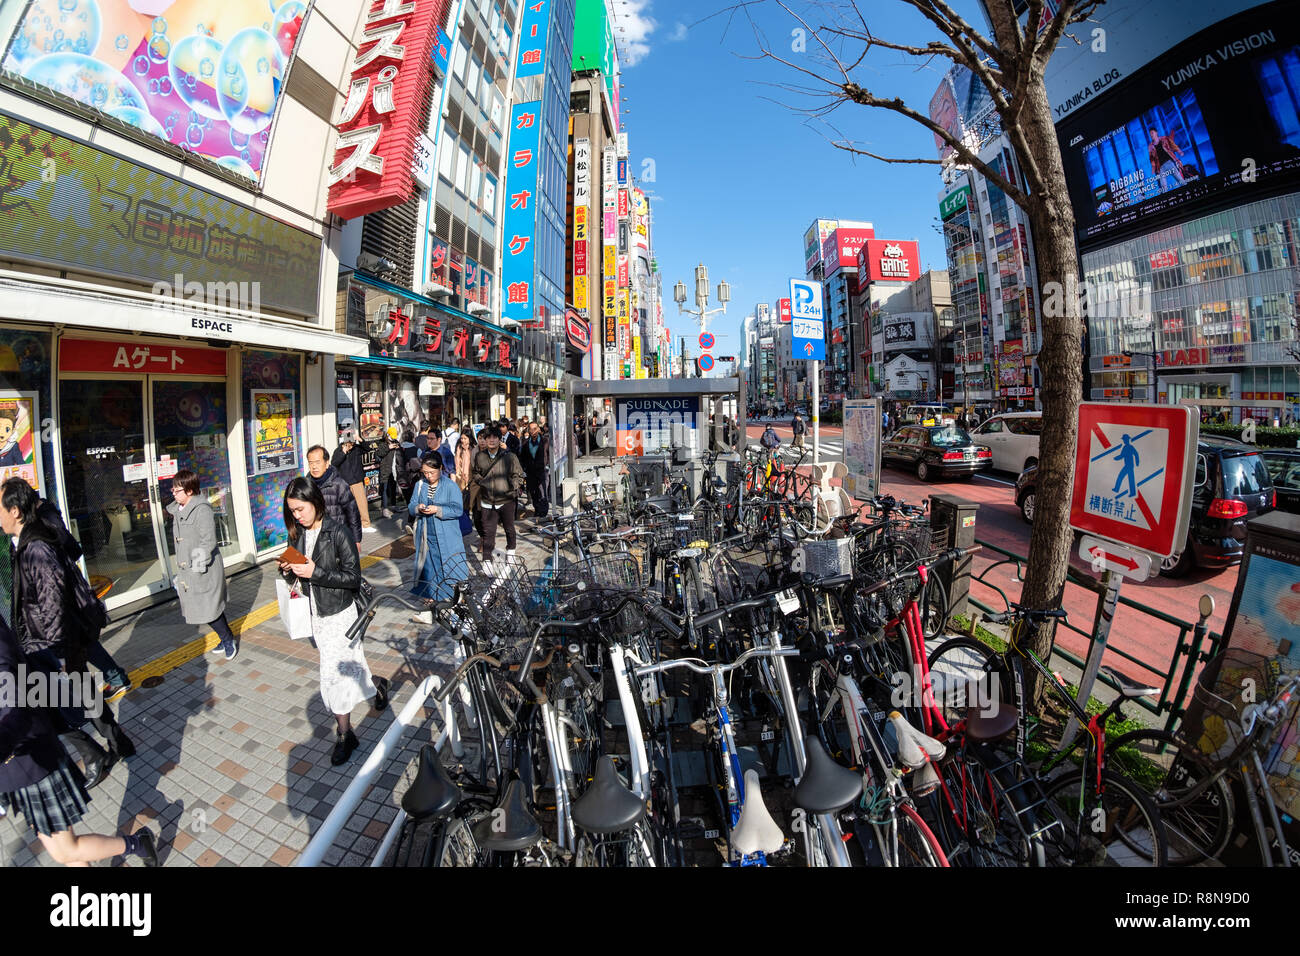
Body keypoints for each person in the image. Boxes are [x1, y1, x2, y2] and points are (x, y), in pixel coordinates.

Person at [2, 478, 135, 780]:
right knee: (81, 696)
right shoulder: (26, 541)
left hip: (48, 644)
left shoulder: (36, 547)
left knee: (49, 706)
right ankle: (118, 743)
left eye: (0, 509)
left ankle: (95, 755)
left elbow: (53, 603)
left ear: (15, 511)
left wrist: (60, 653)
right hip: (49, 642)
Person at [0, 615, 158, 866]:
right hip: (17, 763)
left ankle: (137, 844)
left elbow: (15, 697)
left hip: (31, 758)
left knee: (65, 851)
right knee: (65, 852)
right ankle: (136, 845)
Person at [278, 476, 388, 766]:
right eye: (292, 511)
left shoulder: (338, 532)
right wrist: (287, 569)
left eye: (300, 509)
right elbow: (297, 578)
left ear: (315, 502)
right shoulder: (297, 535)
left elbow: (353, 578)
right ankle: (378, 685)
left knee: (334, 676)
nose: (296, 516)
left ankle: (345, 735)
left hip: (341, 615)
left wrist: (315, 572)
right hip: (317, 614)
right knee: (351, 669)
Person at [167, 469, 237, 661]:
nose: (174, 493)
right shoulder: (178, 509)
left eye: (177, 490)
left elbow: (208, 542)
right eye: (173, 489)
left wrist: (195, 569)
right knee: (205, 608)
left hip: (203, 568)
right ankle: (225, 638)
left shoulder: (202, 509)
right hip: (189, 568)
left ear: (190, 490)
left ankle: (228, 639)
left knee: (208, 609)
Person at [409, 453, 467, 608]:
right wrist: (418, 508)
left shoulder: (450, 486)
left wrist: (438, 509)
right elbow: (411, 505)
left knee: (450, 565)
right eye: (425, 472)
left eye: (432, 472)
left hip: (447, 535)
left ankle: (455, 598)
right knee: (429, 568)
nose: (428, 476)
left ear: (440, 468)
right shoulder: (420, 485)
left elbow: (457, 510)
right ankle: (432, 598)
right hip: (426, 534)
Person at [472, 424, 525, 567]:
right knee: (488, 533)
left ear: (499, 439)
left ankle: (511, 553)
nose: (491, 440)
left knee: (509, 529)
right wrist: (481, 481)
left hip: (506, 499)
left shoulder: (509, 456)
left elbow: (519, 474)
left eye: (495, 437)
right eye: (488, 437)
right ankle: (487, 561)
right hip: (487, 500)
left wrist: (512, 486)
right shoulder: (480, 456)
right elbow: (475, 472)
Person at [306, 444, 362, 544]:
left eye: (318, 462)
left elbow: (352, 513)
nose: (314, 467)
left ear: (326, 463)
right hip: (316, 539)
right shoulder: (306, 485)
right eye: (311, 463)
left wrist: (356, 540)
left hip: (338, 539)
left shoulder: (339, 484)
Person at [331, 428, 374, 533]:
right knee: (348, 505)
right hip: (345, 482)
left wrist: (360, 439)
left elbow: (368, 449)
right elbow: (334, 464)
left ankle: (365, 525)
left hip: (357, 480)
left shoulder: (357, 449)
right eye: (350, 442)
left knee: (362, 503)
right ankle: (349, 525)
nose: (351, 445)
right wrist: (343, 453)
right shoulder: (338, 450)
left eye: (353, 442)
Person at [518, 421, 550, 521]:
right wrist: (524, 469)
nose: (533, 431)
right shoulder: (525, 443)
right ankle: (537, 510)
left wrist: (547, 465)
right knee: (533, 492)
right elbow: (522, 457)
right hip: (530, 472)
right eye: (531, 429)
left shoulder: (545, 441)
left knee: (543, 492)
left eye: (535, 428)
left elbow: (550, 454)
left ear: (539, 429)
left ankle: (543, 513)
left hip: (543, 471)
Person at [379, 426, 407, 518]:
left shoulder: (396, 442)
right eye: (392, 436)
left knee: (393, 488)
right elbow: (380, 454)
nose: (393, 438)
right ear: (388, 435)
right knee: (384, 490)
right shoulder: (383, 443)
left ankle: (393, 506)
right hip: (385, 469)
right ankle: (384, 509)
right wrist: (388, 447)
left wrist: (399, 448)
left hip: (394, 470)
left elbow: (401, 454)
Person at [1147, 127, 1186, 192]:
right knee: (1163, 186)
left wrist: (1179, 151)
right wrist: (1153, 167)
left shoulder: (1164, 139)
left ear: (1156, 133)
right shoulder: (1150, 146)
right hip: (1160, 167)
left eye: (1152, 133)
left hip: (1169, 163)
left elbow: (1172, 145)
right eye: (1150, 134)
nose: (1151, 135)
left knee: (1180, 180)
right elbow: (1151, 158)